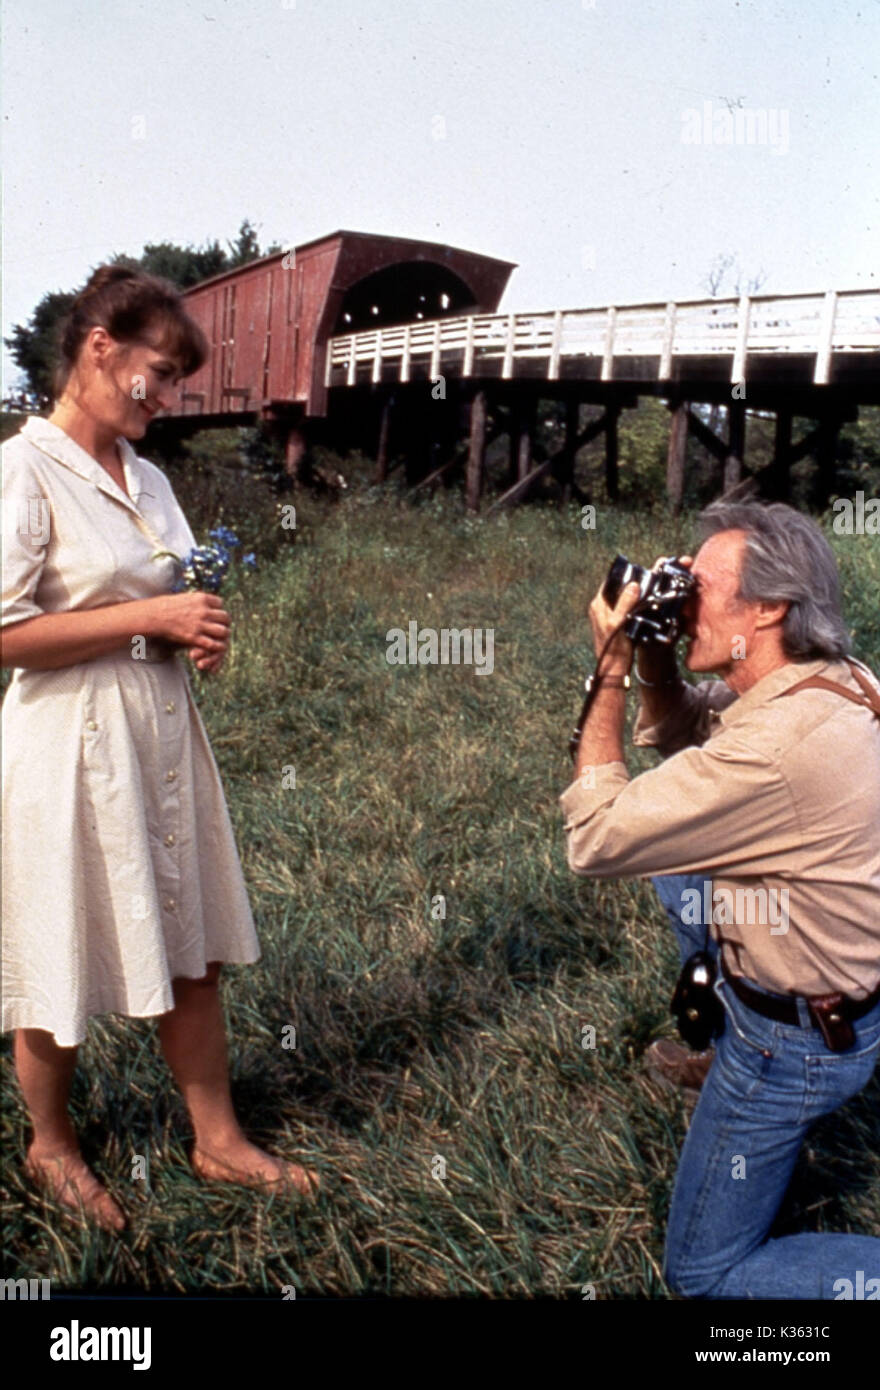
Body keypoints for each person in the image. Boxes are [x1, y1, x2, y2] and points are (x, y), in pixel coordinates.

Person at [1, 265, 319, 1232]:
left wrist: (195, 631)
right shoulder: (25, 468)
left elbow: (167, 601)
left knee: (189, 938)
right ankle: (51, 1146)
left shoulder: (150, 479)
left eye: (179, 379)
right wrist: (153, 615)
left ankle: (216, 1140)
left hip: (160, 733)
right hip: (66, 744)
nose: (169, 396)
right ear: (100, 348)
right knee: (61, 942)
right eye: (161, 372)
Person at [560, 500, 880, 1298]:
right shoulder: (836, 681)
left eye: (696, 584)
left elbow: (597, 840)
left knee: (705, 1278)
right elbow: (691, 739)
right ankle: (719, 1037)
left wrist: (607, 668)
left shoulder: (776, 753)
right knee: (680, 861)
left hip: (795, 1045)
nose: (677, 596)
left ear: (768, 608)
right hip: (847, 987)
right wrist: (656, 661)